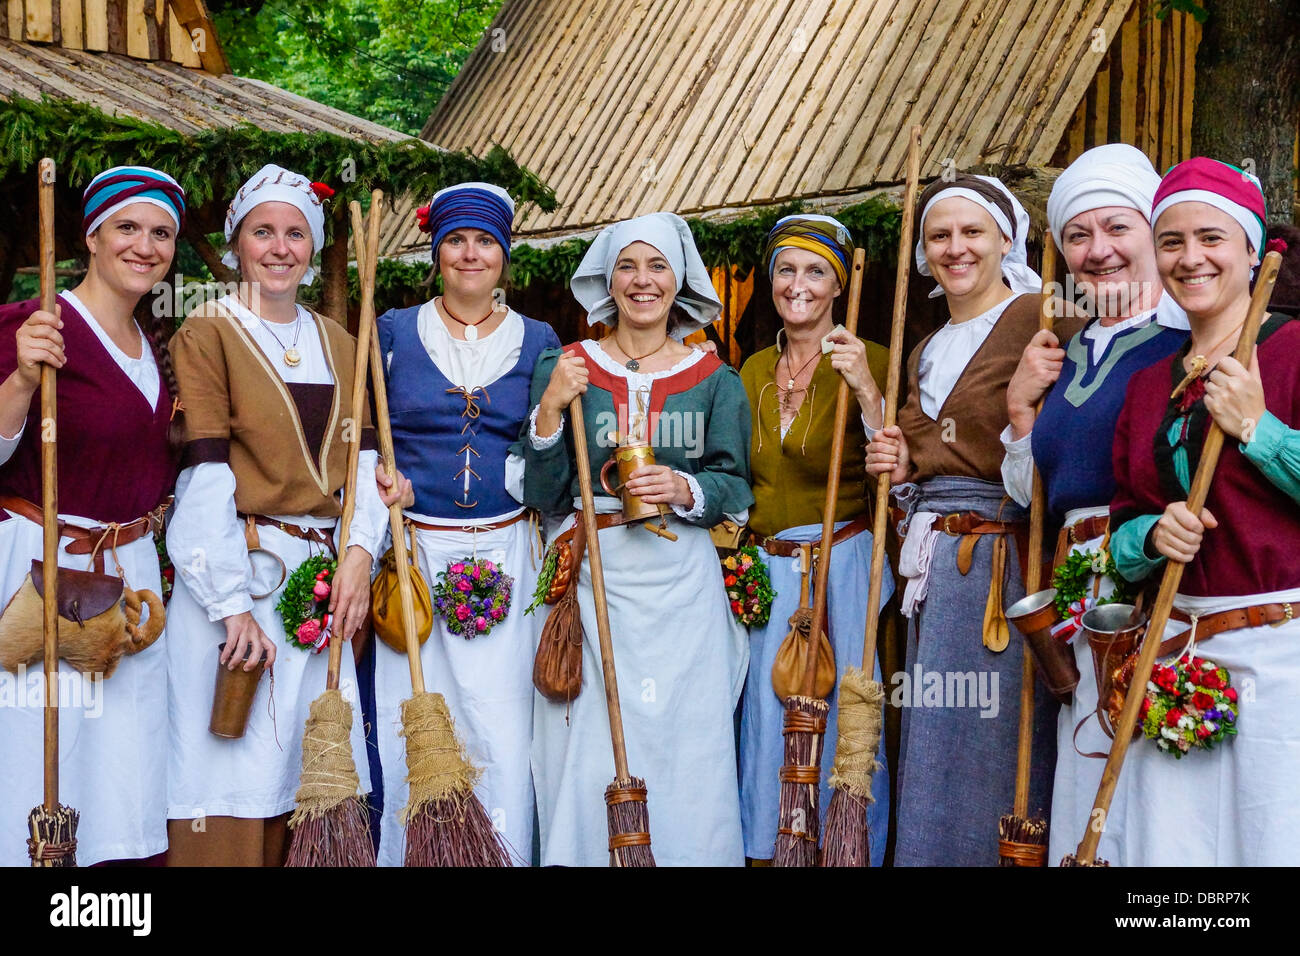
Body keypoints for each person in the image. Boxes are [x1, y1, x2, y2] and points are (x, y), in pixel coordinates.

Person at [164, 165, 402, 866]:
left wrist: (359, 557)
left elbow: (365, 469)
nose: (279, 247)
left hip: (324, 584)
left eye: (296, 233)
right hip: (241, 574)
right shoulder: (206, 332)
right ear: (237, 243)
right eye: (262, 231)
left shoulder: (340, 342)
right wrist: (230, 603)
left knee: (309, 759)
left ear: (313, 243)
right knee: (230, 759)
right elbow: (205, 475)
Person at [866, 174, 1083, 866]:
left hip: (1004, 565)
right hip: (935, 573)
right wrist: (902, 473)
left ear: (1006, 239)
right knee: (933, 737)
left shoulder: (1042, 315)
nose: (955, 248)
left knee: (998, 736)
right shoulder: (927, 346)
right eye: (940, 236)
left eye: (971, 232)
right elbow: (928, 466)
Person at [525, 212, 753, 866]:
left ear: (679, 280)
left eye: (657, 267)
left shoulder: (716, 381)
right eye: (628, 265)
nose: (642, 280)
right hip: (593, 582)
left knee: (686, 741)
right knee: (589, 744)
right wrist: (549, 408)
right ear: (608, 278)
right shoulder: (566, 366)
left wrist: (685, 489)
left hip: (682, 589)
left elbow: (735, 486)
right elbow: (541, 493)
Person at [998, 144, 1189, 863]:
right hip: (1079, 581)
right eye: (1079, 235)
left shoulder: (1184, 343)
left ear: (1151, 231)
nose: (1098, 251)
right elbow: (1033, 492)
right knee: (1087, 744)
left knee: (1146, 752)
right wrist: (1021, 409)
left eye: (1118, 228)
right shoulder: (1068, 351)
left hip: (1153, 576)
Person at [1107, 157, 1300, 866]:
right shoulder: (1146, 385)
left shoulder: (1295, 353)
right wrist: (1153, 536)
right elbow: (1122, 527)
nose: (1191, 258)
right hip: (1178, 652)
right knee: (1174, 861)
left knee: (1272, 847)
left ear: (1252, 249)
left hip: (1284, 657)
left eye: (1212, 238)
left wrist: (1262, 431)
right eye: (1172, 241)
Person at [0, 166, 185, 866]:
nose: (146, 245)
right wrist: (21, 378)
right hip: (43, 565)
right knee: (41, 752)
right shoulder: (34, 326)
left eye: (161, 233)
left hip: (128, 569)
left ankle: (108, 902)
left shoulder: (154, 348)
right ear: (92, 237)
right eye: (128, 228)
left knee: (123, 762)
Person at [371, 182, 558, 865]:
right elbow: (363, 440)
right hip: (414, 554)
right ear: (436, 251)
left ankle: (500, 854)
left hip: (507, 553)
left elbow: (549, 455)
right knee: (416, 728)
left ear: (504, 254)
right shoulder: (389, 332)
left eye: (485, 241)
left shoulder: (539, 339)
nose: (470, 254)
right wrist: (382, 480)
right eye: (455, 240)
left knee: (502, 730)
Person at [736, 214, 894, 864]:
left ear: (837, 285)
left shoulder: (872, 357)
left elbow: (895, 462)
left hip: (842, 560)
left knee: (840, 709)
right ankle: (775, 848)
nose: (798, 284)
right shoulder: (749, 369)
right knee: (768, 721)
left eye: (815, 272)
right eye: (786, 269)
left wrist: (863, 386)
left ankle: (843, 844)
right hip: (769, 569)